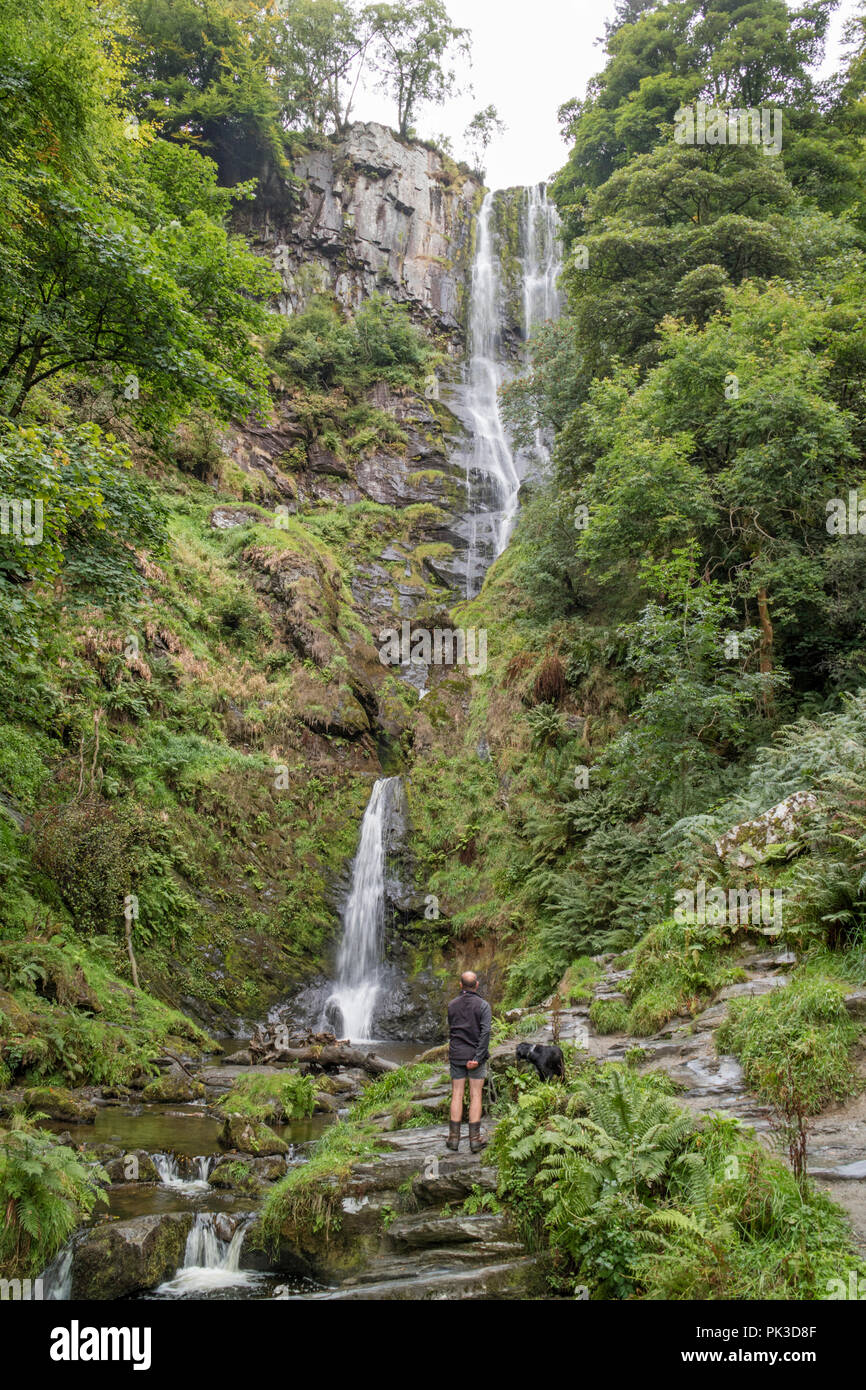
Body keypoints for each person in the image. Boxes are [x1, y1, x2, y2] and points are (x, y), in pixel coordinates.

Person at [446, 970, 491, 1153]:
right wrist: (478, 1058)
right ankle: (474, 1140)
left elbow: (452, 1028)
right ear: (477, 985)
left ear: (460, 985)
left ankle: (453, 1139)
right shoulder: (483, 1006)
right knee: (476, 1095)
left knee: (456, 1094)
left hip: (457, 1055)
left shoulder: (452, 1005)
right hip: (475, 1056)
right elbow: (485, 1032)